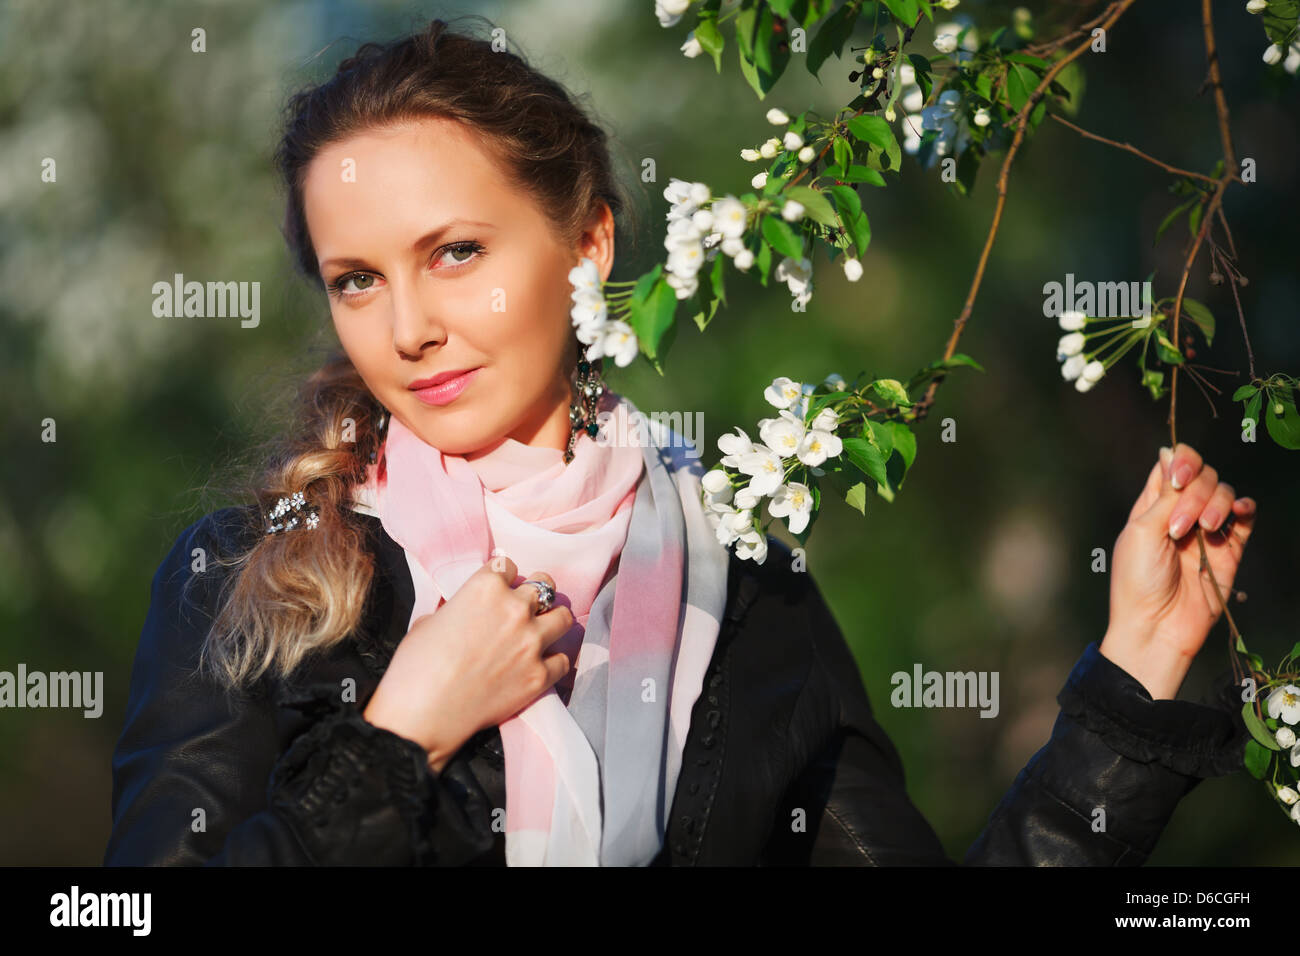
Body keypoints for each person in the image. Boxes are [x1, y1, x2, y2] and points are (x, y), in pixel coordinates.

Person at [103, 17, 1256, 867]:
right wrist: (402, 736)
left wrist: (1135, 678)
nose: (408, 327)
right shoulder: (251, 577)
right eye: (358, 279)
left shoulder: (740, 577)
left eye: (456, 251)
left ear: (587, 244)